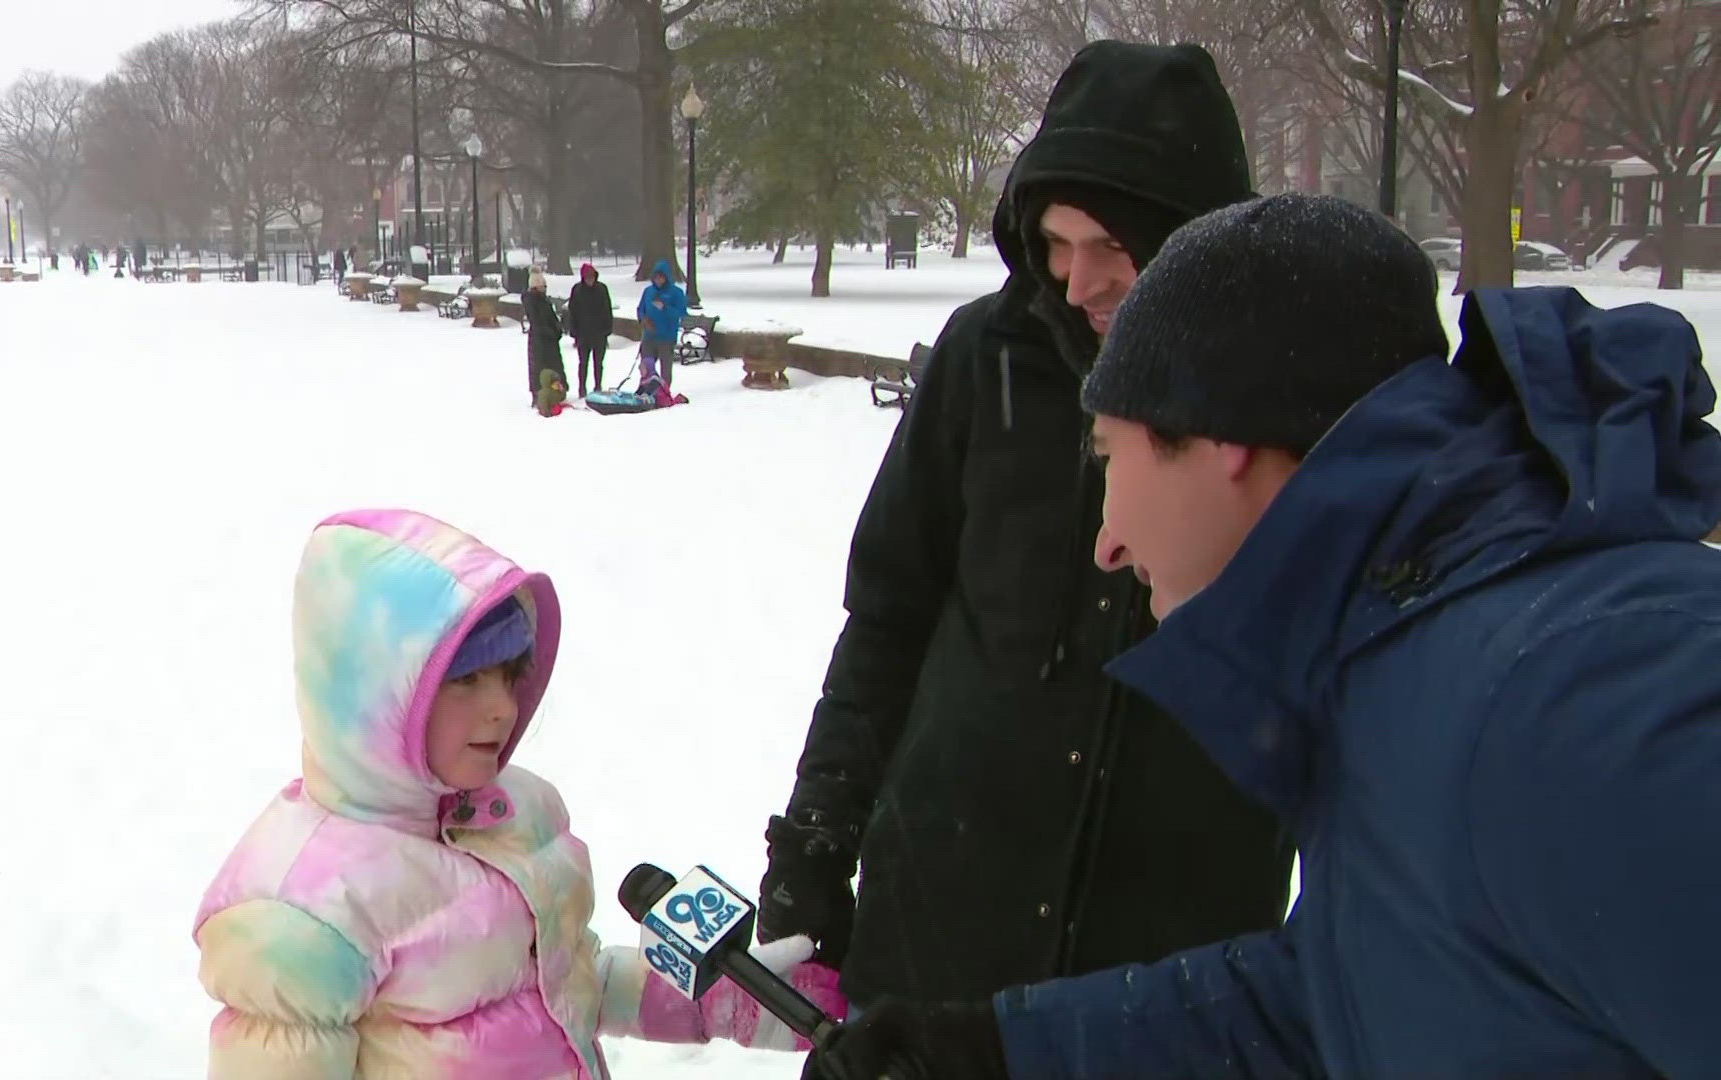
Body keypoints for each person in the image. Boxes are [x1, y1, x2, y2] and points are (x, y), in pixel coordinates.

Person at [806, 192, 1721, 1079]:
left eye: (1108, 455)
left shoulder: (1572, 700)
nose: (1107, 539)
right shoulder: (1393, 666)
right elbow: (1348, 1001)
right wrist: (994, 1055)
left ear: (1222, 438)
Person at [759, 40, 1292, 1019]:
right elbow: (888, 614)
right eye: (1055, 243)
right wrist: (816, 842)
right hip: (946, 918)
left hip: (1171, 961)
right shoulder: (983, 357)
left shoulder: (1280, 405)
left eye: (1113, 249)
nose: (1078, 279)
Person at [196, 509, 846, 1077]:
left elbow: (575, 984)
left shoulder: (515, 817)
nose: (502, 708)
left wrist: (734, 999)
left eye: (511, 675)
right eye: (467, 680)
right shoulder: (299, 913)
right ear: (374, 693)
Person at [636, 258, 687, 387]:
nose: (658, 281)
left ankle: (664, 390)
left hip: (666, 336)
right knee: (647, 365)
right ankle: (647, 387)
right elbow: (641, 308)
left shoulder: (676, 293)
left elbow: (681, 313)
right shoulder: (648, 292)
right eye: (656, 278)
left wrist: (665, 308)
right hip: (649, 335)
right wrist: (643, 319)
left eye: (661, 278)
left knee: (666, 368)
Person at [522, 267, 568, 405]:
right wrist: (552, 332)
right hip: (540, 342)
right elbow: (539, 322)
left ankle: (554, 392)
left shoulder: (542, 301)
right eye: (544, 286)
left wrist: (557, 329)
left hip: (548, 341)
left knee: (551, 367)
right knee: (540, 369)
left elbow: (551, 319)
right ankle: (541, 394)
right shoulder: (533, 302)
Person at [568, 262, 614, 397]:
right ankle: (582, 388)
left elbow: (607, 310)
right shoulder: (577, 290)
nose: (590, 280)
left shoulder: (602, 289)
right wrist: (574, 331)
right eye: (587, 278)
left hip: (599, 333)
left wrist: (607, 329)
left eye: (592, 277)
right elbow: (573, 312)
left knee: (598, 363)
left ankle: (598, 385)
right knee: (583, 363)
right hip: (583, 333)